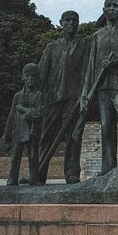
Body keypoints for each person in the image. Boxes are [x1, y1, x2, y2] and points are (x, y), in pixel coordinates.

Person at [81, 0, 118, 174]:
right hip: (101, 88)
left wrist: (116, 63)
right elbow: (90, 67)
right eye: (110, 6)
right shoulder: (97, 36)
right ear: (104, 10)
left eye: (116, 6)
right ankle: (108, 166)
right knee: (106, 127)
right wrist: (85, 93)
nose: (113, 9)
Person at [37, 10, 90, 184]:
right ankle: (38, 172)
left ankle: (72, 173)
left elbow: (87, 72)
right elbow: (41, 75)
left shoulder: (84, 45)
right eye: (67, 20)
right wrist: (39, 98)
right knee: (46, 136)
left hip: (74, 99)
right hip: (52, 98)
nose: (71, 23)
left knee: (74, 138)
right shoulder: (52, 48)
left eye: (75, 20)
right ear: (61, 22)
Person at [2, 63, 44, 186]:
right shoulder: (17, 96)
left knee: (33, 157)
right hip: (18, 131)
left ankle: (34, 178)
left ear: (37, 78)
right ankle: (12, 178)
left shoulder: (39, 96)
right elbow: (11, 115)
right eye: (28, 76)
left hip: (33, 131)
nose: (30, 79)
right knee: (15, 157)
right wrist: (7, 133)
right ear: (23, 78)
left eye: (33, 76)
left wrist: (25, 111)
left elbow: (40, 113)